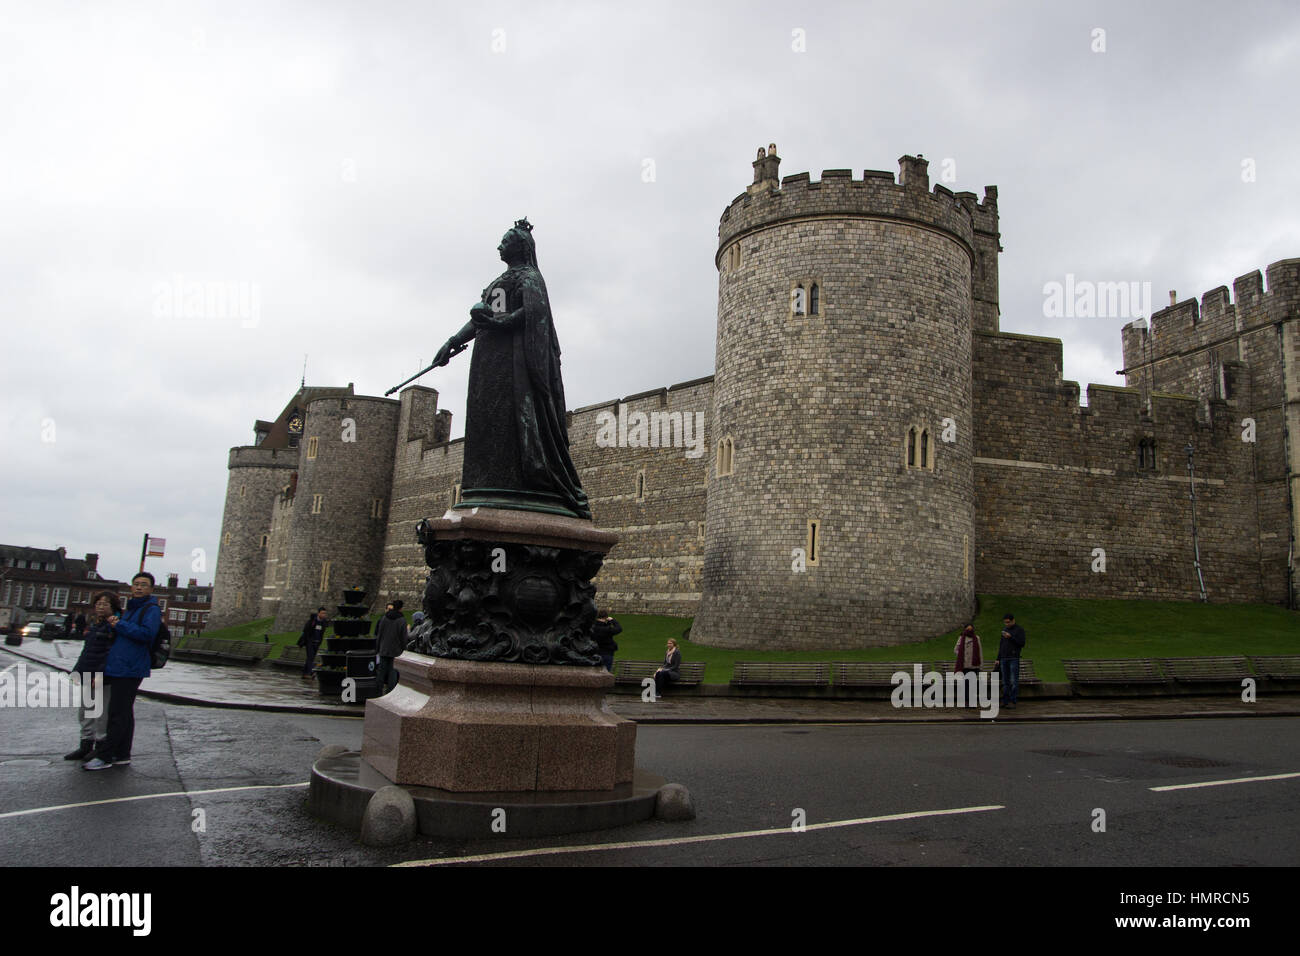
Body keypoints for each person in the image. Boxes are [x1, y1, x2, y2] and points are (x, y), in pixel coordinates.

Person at [430, 219, 591, 519]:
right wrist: (452, 343)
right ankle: (489, 483)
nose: (499, 246)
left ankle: (522, 480)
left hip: (515, 364)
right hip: (488, 363)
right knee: (486, 419)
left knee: (513, 418)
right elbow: (480, 318)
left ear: (520, 246)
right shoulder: (497, 283)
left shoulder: (529, 278)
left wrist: (497, 323)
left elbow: (533, 313)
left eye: (505, 241)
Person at [84, 572, 159, 770]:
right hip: (119, 666)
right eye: (136, 584)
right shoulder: (132, 609)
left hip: (131, 668)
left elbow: (147, 634)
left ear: (151, 589)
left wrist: (120, 625)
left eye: (144, 584)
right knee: (124, 713)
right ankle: (123, 754)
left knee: (116, 713)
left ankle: (105, 756)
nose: (139, 587)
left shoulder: (151, 610)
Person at [64, 591, 120, 762]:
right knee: (86, 710)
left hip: (103, 674)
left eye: (105, 604)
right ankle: (85, 744)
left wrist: (101, 674)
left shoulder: (114, 625)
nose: (100, 606)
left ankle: (100, 745)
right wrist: (77, 671)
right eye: (98, 604)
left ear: (113, 607)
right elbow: (87, 651)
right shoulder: (96, 624)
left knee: (101, 712)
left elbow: (112, 652)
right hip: (88, 672)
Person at [374, 600, 409, 694]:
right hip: (396, 650)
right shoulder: (402, 620)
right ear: (401, 608)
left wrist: (377, 648)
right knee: (392, 673)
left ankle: (377, 691)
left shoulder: (385, 618)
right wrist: (404, 649)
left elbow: (379, 634)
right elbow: (403, 637)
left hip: (384, 648)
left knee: (381, 672)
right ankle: (390, 692)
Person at [995, 613, 1027, 709]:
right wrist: (998, 658)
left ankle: (1013, 701)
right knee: (1005, 681)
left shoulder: (1019, 630)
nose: (1007, 624)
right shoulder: (1004, 630)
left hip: (1013, 658)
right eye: (1005, 622)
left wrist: (1011, 637)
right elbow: (1001, 645)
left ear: (1013, 620)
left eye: (1008, 622)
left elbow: (1022, 643)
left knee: (1013, 681)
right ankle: (1005, 701)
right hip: (1004, 658)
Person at [954, 622, 982, 708]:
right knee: (966, 684)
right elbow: (956, 649)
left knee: (973, 684)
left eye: (971, 629)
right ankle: (966, 701)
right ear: (965, 629)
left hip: (974, 664)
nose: (970, 630)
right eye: (968, 629)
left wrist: (981, 665)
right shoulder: (961, 638)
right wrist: (962, 656)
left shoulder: (977, 638)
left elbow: (980, 652)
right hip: (965, 664)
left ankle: (972, 701)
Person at [299, 606, 329, 681]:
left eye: (325, 613)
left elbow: (322, 632)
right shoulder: (312, 621)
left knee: (311, 657)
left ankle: (305, 673)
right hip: (310, 642)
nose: (324, 615)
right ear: (318, 613)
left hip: (317, 642)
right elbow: (306, 630)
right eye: (322, 613)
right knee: (310, 657)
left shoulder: (323, 622)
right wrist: (307, 640)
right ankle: (310, 672)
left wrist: (319, 641)